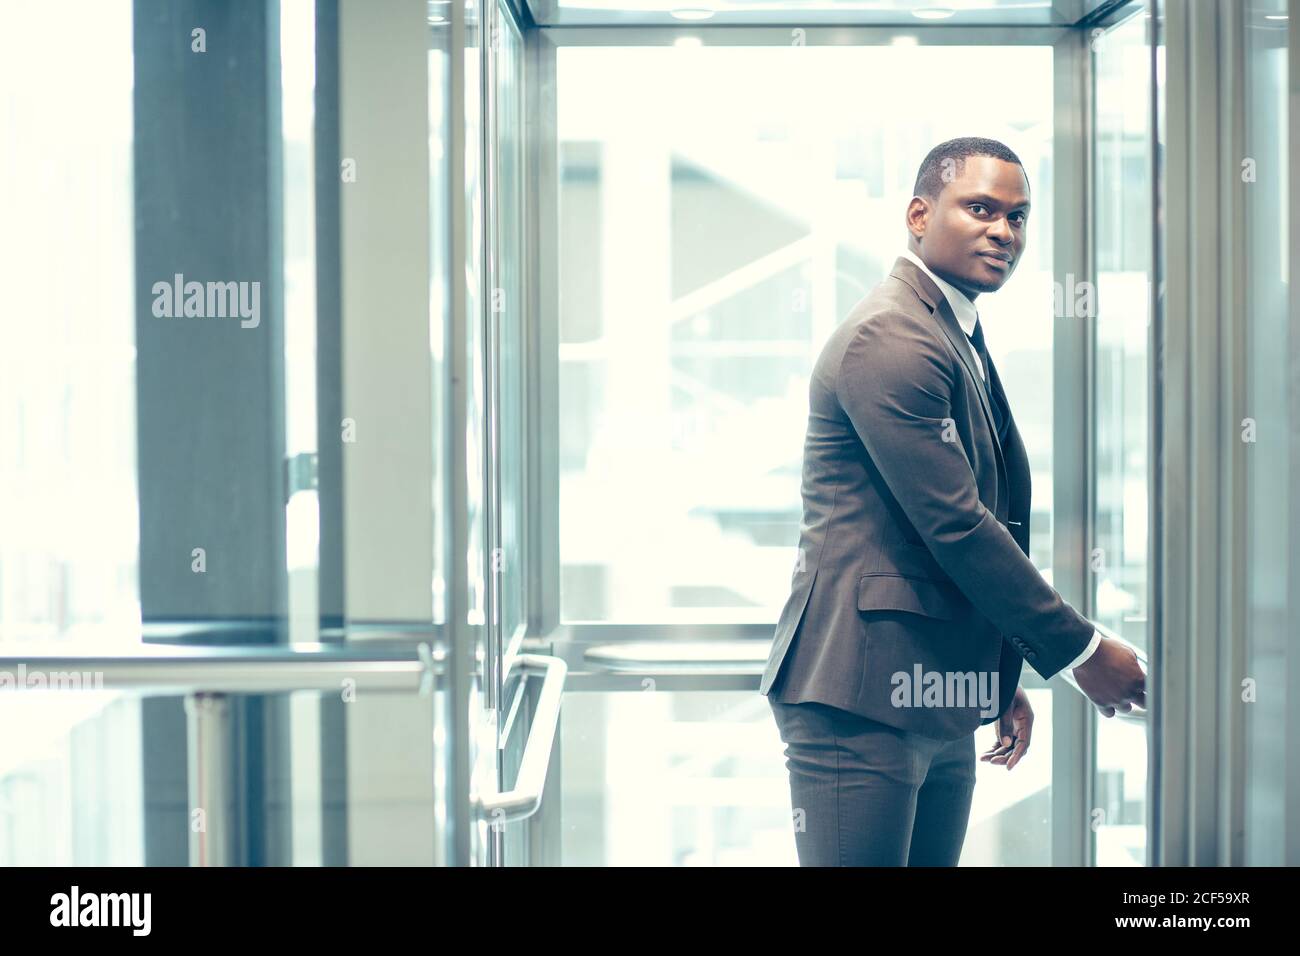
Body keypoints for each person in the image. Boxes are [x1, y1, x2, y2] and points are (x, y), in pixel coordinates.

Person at [760, 136, 1146, 866]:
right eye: (981, 209)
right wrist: (1082, 653)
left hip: (929, 690)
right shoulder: (891, 337)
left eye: (1018, 217)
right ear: (917, 214)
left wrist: (995, 671)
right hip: (858, 697)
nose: (1005, 232)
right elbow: (957, 527)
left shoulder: (952, 328)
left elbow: (957, 528)